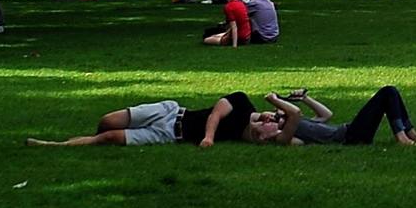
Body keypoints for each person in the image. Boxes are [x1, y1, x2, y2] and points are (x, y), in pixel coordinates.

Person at [27, 93, 256, 148]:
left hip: (170, 135)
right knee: (107, 121)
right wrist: (208, 137)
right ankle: (89, 139)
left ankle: (56, 145)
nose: (269, 122)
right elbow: (216, 113)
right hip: (170, 113)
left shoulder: (249, 134)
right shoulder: (243, 102)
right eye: (273, 116)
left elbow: (290, 134)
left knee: (109, 137)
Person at [248, 88, 416, 146]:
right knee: (387, 92)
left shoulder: (294, 125)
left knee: (390, 92)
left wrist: (305, 99)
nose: (268, 119)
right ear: (264, 137)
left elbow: (326, 115)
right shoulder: (285, 137)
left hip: (350, 132)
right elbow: (294, 113)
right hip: (349, 137)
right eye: (263, 124)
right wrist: (274, 101)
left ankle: (410, 132)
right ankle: (401, 135)